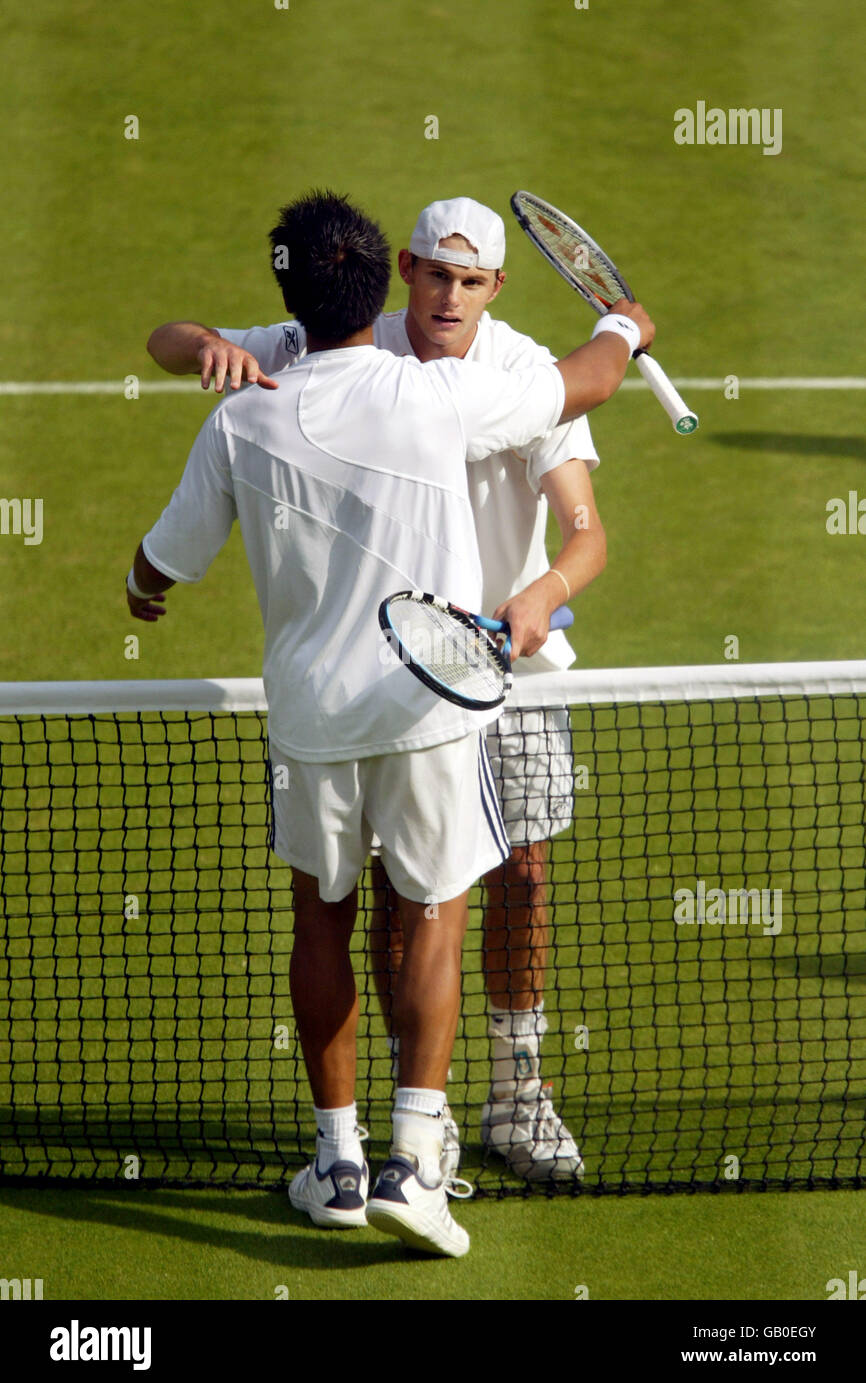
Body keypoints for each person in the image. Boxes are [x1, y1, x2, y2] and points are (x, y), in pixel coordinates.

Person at [132, 189, 653, 1257]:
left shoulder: (278, 398)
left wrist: (544, 590)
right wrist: (626, 328)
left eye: (470, 279)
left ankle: (377, 1146)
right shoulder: (420, 393)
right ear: (398, 275)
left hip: (379, 699)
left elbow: (156, 566)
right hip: (430, 705)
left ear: (493, 287)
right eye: (434, 272)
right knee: (423, 910)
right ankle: (415, 1152)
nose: (449, 293)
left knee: (367, 904)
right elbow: (592, 376)